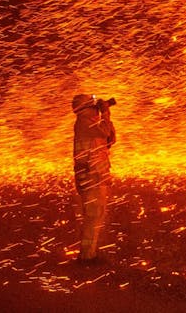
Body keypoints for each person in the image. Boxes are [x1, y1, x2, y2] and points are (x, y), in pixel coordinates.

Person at [71, 93, 116, 263]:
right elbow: (105, 131)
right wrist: (105, 113)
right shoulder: (83, 123)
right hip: (90, 177)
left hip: (97, 176)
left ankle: (90, 253)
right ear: (86, 108)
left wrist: (106, 115)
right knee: (92, 216)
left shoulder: (92, 124)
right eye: (94, 106)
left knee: (97, 215)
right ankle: (86, 257)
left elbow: (110, 138)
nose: (96, 109)